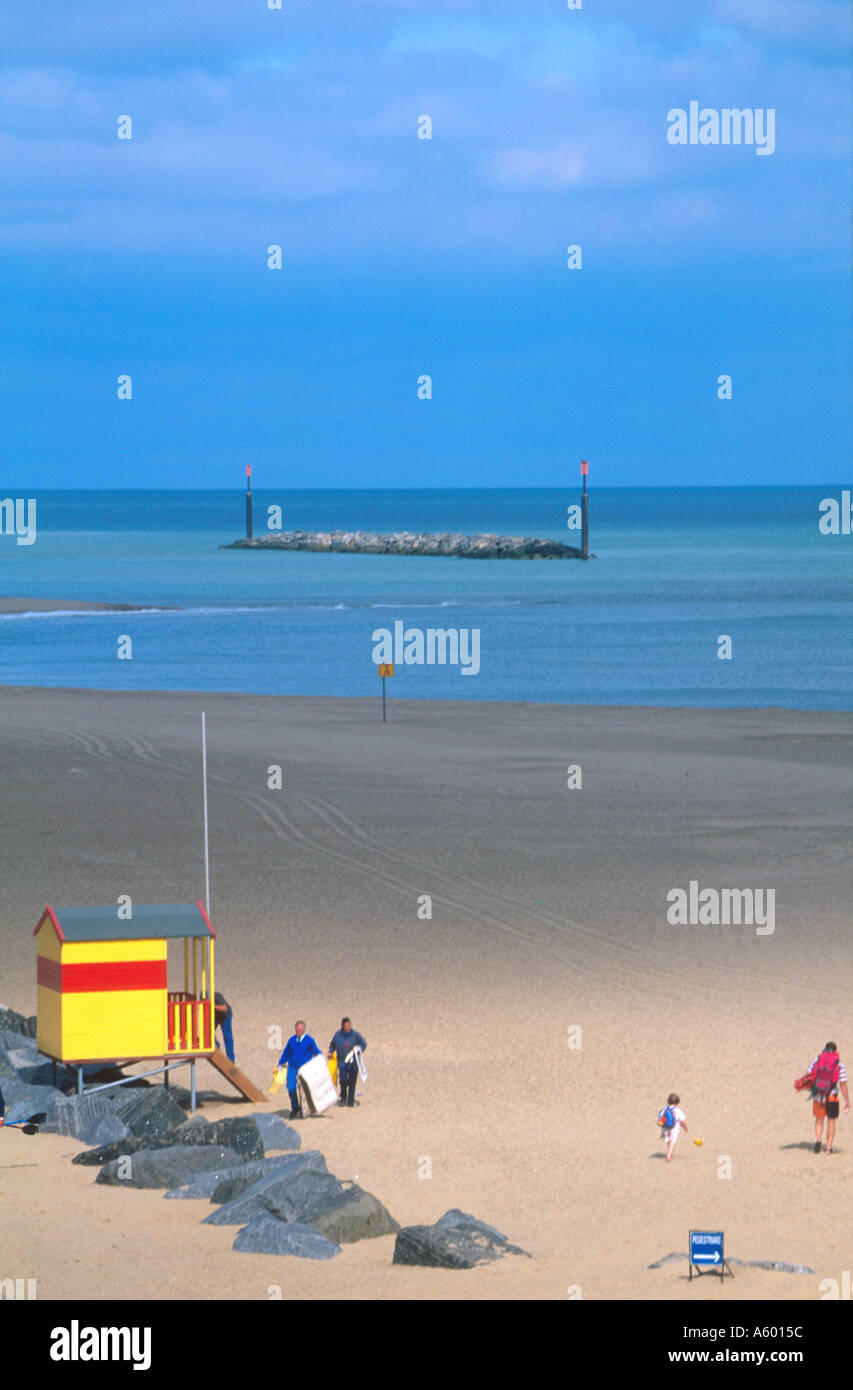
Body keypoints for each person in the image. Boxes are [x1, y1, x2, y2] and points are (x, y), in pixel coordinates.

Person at [806, 1041, 849, 1155]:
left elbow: (808, 1075)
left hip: (819, 1095)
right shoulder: (839, 1064)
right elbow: (843, 1084)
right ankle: (828, 1148)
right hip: (832, 1096)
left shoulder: (817, 1060)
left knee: (819, 1119)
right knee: (831, 1121)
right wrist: (847, 1101)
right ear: (835, 1051)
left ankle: (818, 1139)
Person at [277, 1020, 321, 1119]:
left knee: (303, 1091)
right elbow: (286, 1052)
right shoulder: (292, 1040)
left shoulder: (309, 1040)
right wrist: (281, 1063)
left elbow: (316, 1051)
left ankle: (303, 1110)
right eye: (296, 1030)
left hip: (304, 1069)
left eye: (300, 1030)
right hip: (292, 1068)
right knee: (291, 1087)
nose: (298, 1032)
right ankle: (294, 1108)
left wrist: (321, 1059)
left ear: (304, 1029)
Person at [328, 1017, 367, 1108]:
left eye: (349, 1026)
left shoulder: (355, 1035)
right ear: (342, 1026)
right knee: (343, 1080)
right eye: (346, 1026)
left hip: (353, 1063)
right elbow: (332, 1044)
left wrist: (358, 1049)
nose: (348, 1028)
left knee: (352, 1082)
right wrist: (330, 1051)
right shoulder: (338, 1035)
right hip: (342, 1062)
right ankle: (343, 1097)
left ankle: (350, 1101)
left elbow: (364, 1045)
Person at [659, 1092, 688, 1163]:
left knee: (668, 1140)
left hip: (665, 1127)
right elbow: (683, 1120)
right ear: (677, 1102)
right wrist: (685, 1127)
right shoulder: (677, 1110)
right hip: (674, 1127)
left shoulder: (665, 1109)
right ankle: (668, 1156)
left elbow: (660, 1118)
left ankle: (669, 1154)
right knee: (673, 1141)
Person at [213, 991, 235, 1063]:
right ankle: (216, 1045)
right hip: (216, 1016)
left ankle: (231, 1059)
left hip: (225, 1016)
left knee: (227, 1036)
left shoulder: (217, 996)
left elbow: (224, 1008)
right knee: (208, 1029)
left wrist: (213, 1006)